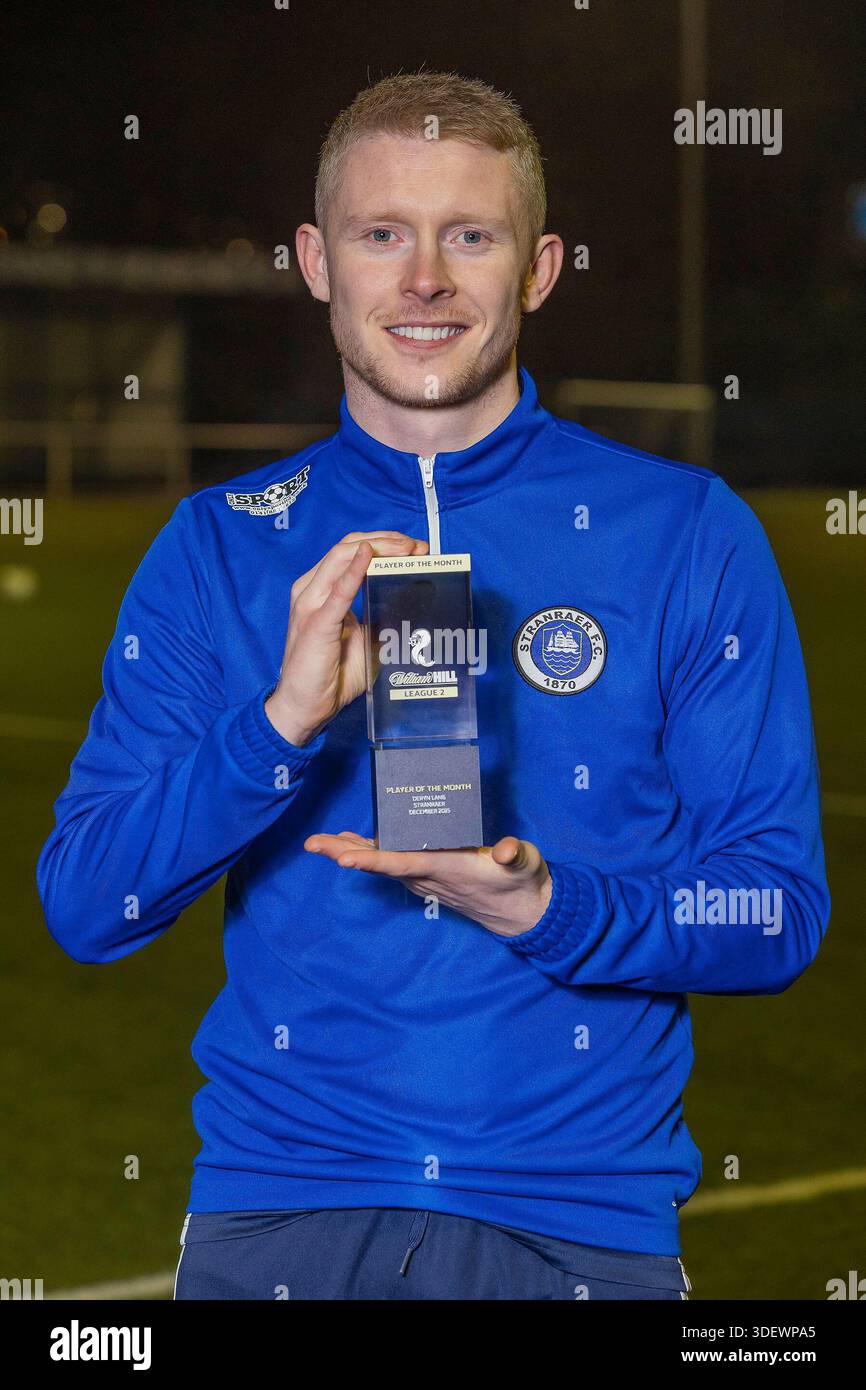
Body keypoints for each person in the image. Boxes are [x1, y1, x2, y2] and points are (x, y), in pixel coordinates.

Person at [37, 71, 830, 1301]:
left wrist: (549, 910)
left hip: (576, 1227)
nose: (422, 278)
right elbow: (87, 903)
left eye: (470, 234)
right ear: (314, 259)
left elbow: (773, 910)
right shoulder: (217, 546)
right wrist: (278, 728)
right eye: (379, 233)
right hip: (280, 1215)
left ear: (539, 267)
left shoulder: (685, 533)